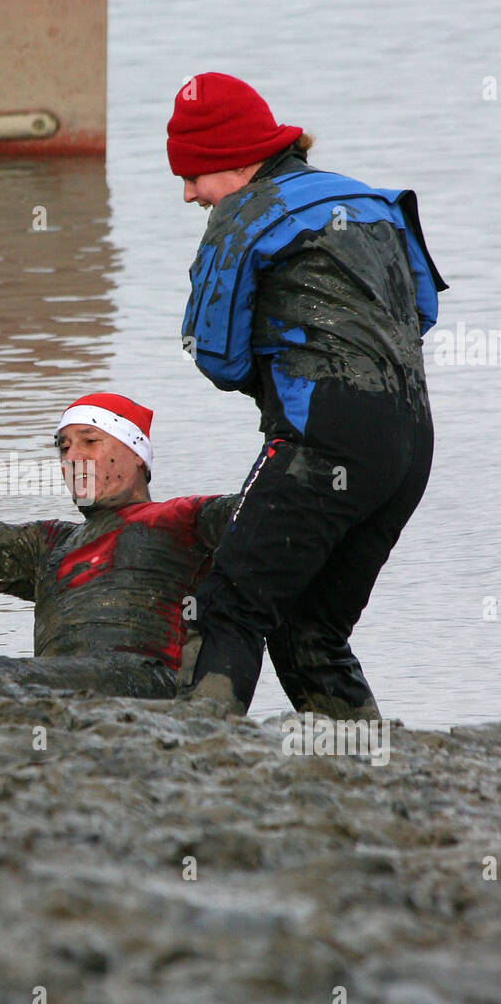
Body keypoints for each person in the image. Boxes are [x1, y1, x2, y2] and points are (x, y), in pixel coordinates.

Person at [166, 71, 447, 718]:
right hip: (410, 442)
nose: (187, 195)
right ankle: (366, 765)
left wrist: (285, 365)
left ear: (234, 160)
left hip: (321, 437)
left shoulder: (245, 213)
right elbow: (420, 313)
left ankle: (193, 757)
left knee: (228, 605)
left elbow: (215, 355)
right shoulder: (376, 203)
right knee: (310, 627)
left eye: (193, 176)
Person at [0, 392, 239, 697]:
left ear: (137, 456)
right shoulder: (49, 542)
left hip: (146, 679)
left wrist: (284, 436)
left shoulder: (180, 517)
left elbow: (267, 515)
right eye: (63, 447)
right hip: (54, 687)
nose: (72, 457)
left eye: (90, 441)